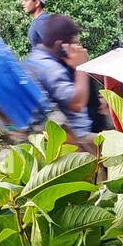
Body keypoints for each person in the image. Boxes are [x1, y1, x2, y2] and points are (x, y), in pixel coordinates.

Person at [24, 15, 98, 147]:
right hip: (77, 140)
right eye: (74, 43)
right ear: (59, 45)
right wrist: (80, 67)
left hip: (63, 136)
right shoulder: (50, 69)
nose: (77, 47)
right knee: (119, 145)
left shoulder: (35, 58)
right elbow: (77, 103)